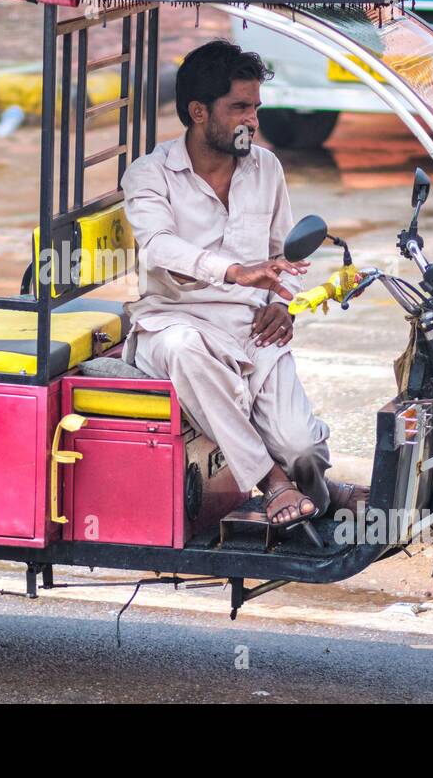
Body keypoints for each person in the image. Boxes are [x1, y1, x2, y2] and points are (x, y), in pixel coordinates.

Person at [120, 40, 367, 532]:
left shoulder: (267, 168)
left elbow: (285, 256)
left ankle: (316, 492)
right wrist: (234, 272)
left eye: (255, 108)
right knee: (183, 348)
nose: (251, 120)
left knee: (302, 445)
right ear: (198, 111)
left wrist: (282, 305)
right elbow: (158, 247)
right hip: (174, 322)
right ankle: (273, 485)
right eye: (239, 107)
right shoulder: (150, 174)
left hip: (250, 330)